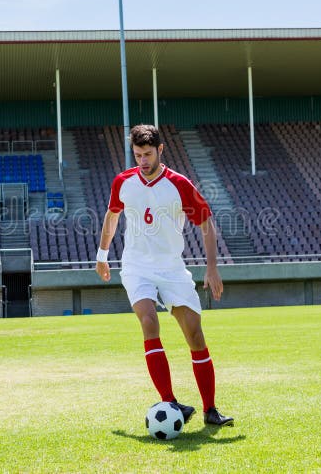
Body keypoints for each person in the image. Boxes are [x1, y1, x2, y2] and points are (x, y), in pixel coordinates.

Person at [95, 124, 234, 427]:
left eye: (147, 154)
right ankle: (170, 402)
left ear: (160, 150)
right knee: (148, 321)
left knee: (195, 335)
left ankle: (210, 410)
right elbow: (112, 216)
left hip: (172, 269)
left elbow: (206, 223)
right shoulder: (123, 181)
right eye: (137, 155)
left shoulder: (179, 184)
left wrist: (212, 267)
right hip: (136, 267)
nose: (142, 161)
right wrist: (102, 256)